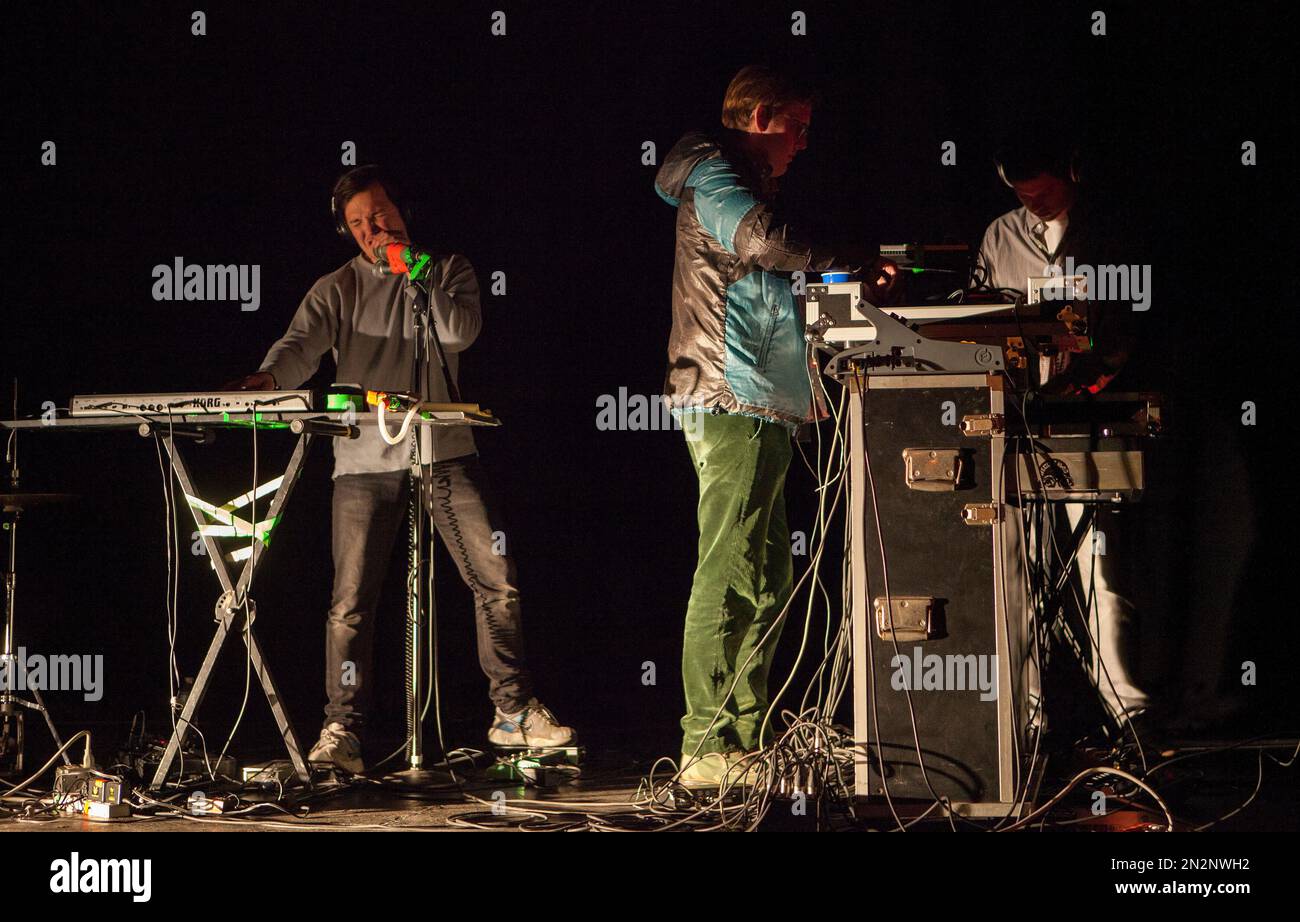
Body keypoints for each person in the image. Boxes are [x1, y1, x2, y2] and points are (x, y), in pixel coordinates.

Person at [227, 165, 572, 773]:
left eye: (379, 214)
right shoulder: (337, 287)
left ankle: (513, 713)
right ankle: (342, 730)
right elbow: (300, 345)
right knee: (350, 600)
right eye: (358, 223)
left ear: (401, 209)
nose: (371, 229)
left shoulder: (449, 271)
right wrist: (269, 378)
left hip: (444, 452)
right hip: (364, 460)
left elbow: (460, 331)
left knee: (497, 578)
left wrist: (411, 268)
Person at [654, 66, 895, 786]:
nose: (804, 140)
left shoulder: (744, 179)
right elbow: (764, 244)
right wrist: (853, 258)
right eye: (797, 124)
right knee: (727, 567)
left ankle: (743, 737)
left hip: (762, 400)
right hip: (726, 398)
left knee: (766, 579)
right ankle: (703, 742)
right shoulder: (715, 174)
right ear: (759, 116)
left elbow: (762, 280)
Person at [977, 139, 1152, 734]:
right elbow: (977, 320)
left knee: (1100, 567)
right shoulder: (1000, 237)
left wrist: (1089, 379)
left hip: (1087, 414)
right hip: (1020, 419)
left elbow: (1128, 324)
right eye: (1021, 192)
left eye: (1044, 191)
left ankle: (1128, 711)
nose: (1032, 201)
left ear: (1072, 173)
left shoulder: (1107, 235)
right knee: (1014, 566)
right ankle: (1024, 719)